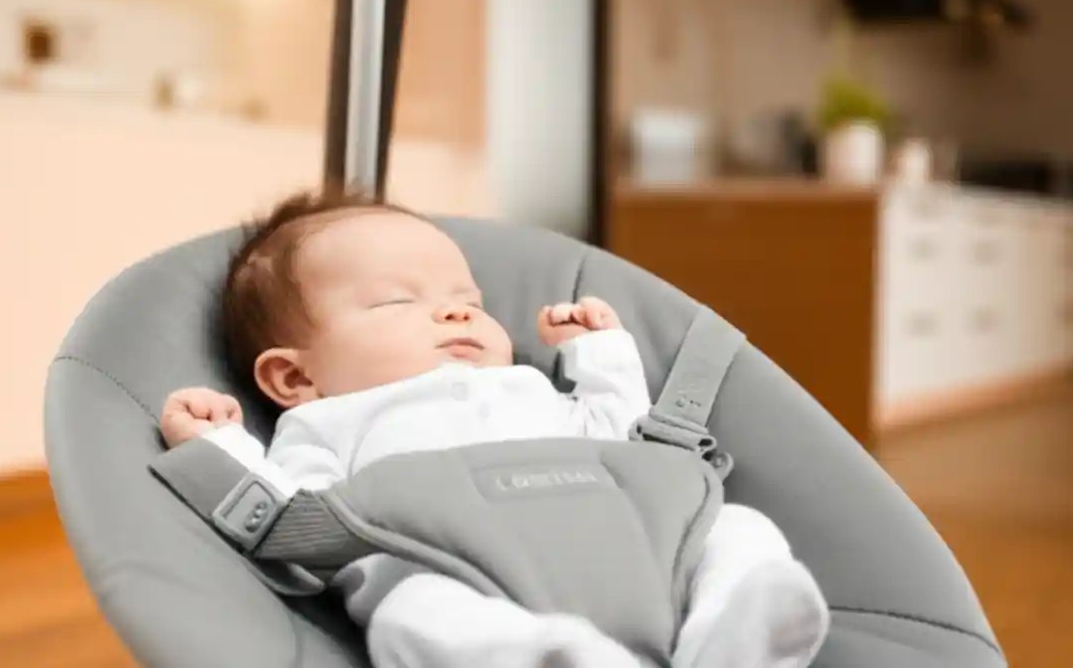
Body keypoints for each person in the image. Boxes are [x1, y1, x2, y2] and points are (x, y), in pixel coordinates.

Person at [160, 191, 829, 668]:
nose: (455, 316)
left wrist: (602, 356)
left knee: (738, 532)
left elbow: (628, 444)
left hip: (629, 548)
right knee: (411, 616)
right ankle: (539, 658)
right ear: (295, 379)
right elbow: (292, 519)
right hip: (462, 575)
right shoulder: (326, 422)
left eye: (468, 303)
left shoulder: (529, 387)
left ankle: (736, 636)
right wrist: (221, 447)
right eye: (399, 300)